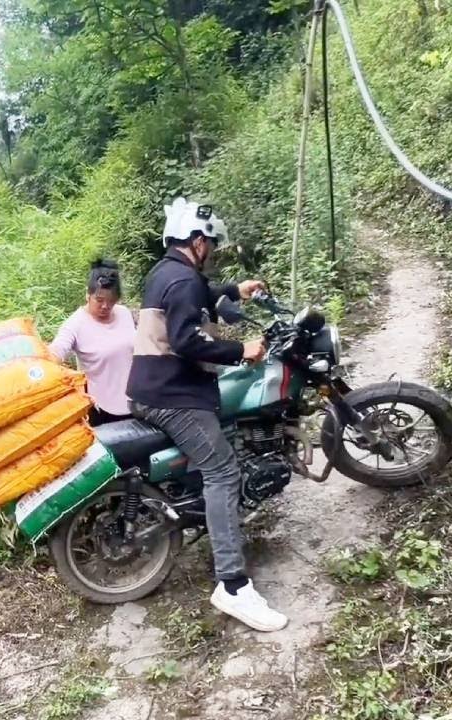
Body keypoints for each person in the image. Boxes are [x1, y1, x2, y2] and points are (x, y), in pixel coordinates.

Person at [126, 197, 286, 632]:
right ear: (197, 241)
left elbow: (200, 298)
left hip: (156, 387)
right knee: (222, 470)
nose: (212, 250)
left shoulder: (167, 271)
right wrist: (240, 350)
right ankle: (232, 585)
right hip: (170, 395)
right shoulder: (182, 280)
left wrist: (235, 290)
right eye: (211, 243)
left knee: (220, 454)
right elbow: (186, 339)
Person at [50, 259, 135, 426]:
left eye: (111, 301)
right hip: (102, 409)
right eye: (99, 300)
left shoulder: (124, 313)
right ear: (88, 295)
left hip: (136, 400)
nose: (105, 306)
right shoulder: (75, 324)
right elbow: (58, 349)